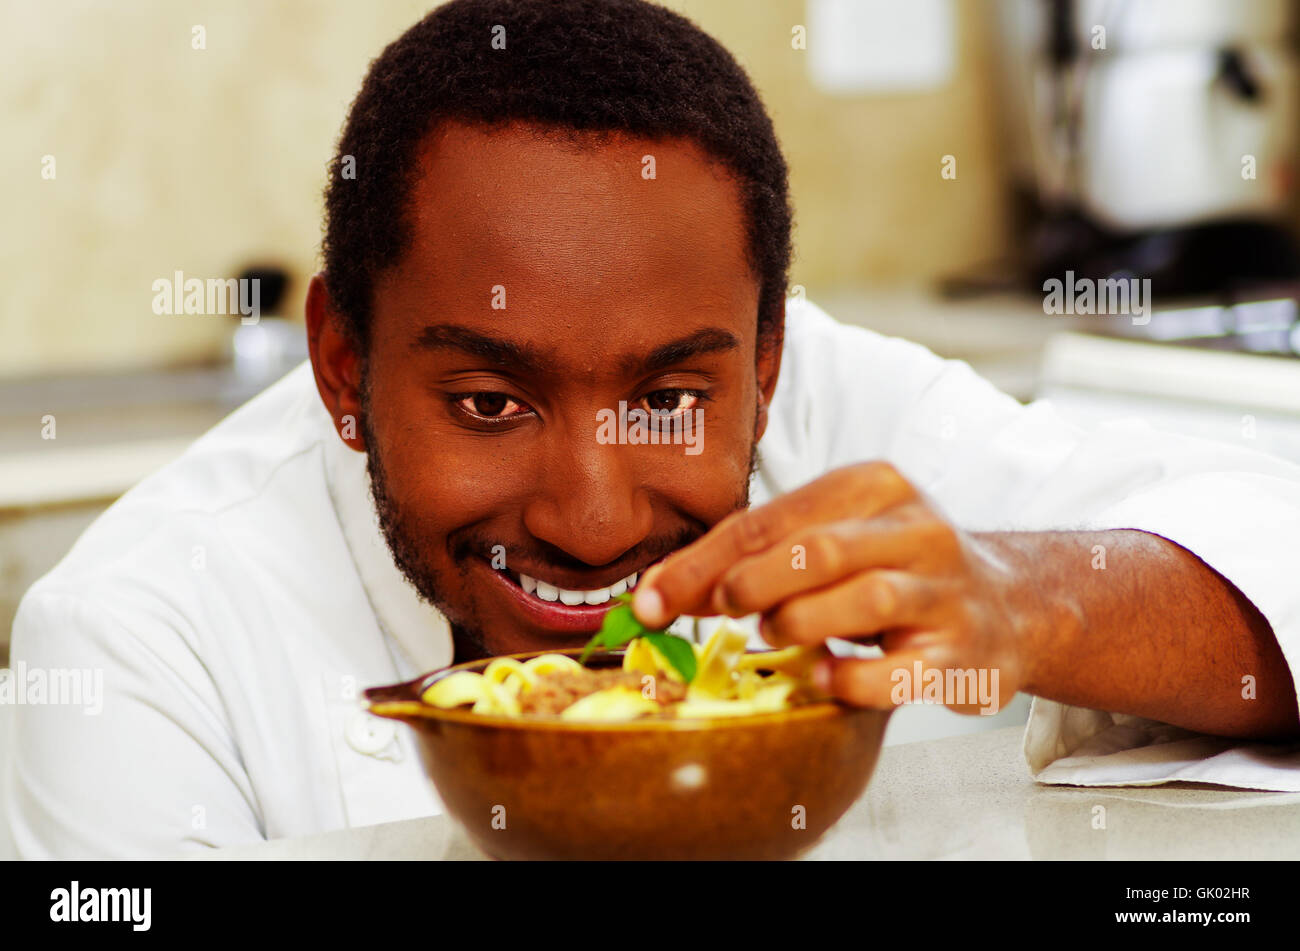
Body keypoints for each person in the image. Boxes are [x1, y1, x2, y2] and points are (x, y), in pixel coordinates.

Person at [7, 0, 1300, 858]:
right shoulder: (137, 645)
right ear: (342, 361)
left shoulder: (840, 417)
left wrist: (1030, 605)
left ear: (771, 358)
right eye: (489, 404)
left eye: (671, 400)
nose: (596, 520)